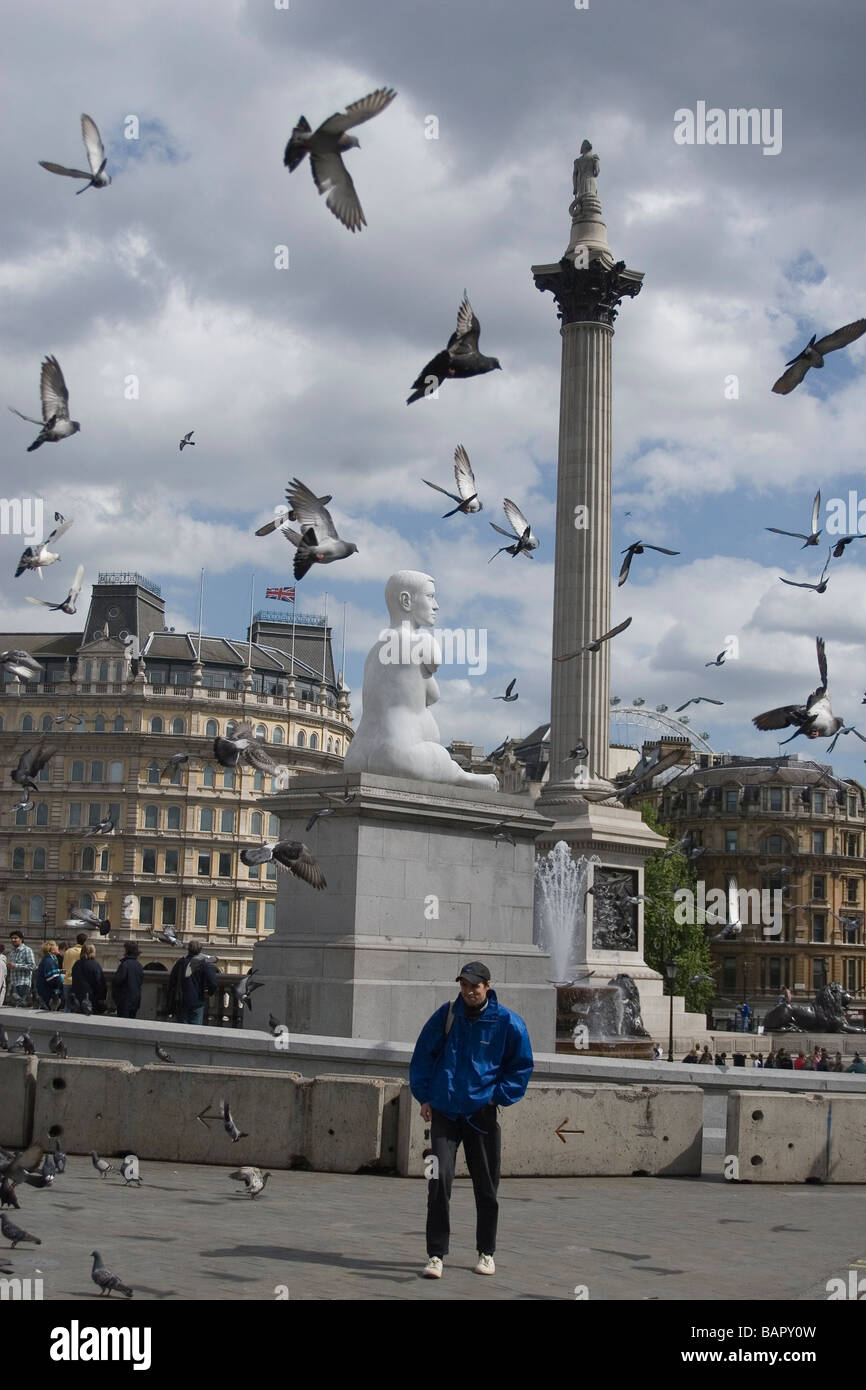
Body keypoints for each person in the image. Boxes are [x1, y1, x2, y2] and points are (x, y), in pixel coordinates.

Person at [409, 961, 533, 1281]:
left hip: (481, 1115)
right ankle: (436, 1255)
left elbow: (521, 1066)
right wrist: (423, 1096)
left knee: (487, 1188)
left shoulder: (508, 1022)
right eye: (464, 985)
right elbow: (423, 1054)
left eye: (474, 986)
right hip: (445, 1113)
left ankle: (486, 1252)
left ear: (487, 986)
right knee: (438, 1182)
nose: (468, 991)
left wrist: (497, 1097)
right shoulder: (448, 1015)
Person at [169, 940, 218, 1025]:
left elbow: (172, 981)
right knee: (195, 1031)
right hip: (197, 1001)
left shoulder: (180, 963)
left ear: (188, 950)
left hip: (182, 1001)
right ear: (200, 951)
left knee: (182, 1030)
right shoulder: (203, 964)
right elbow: (213, 982)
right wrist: (209, 993)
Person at [71, 944, 107, 1015]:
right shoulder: (95, 965)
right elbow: (100, 982)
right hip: (91, 998)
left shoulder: (77, 964)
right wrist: (102, 997)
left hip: (78, 997)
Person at [112, 941, 144, 1019]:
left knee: (122, 1025)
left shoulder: (124, 965)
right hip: (135, 1000)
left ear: (127, 951)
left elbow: (118, 981)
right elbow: (140, 981)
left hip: (124, 1000)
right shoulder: (139, 965)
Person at [8, 931, 36, 1007]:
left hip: (23, 984)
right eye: (12, 938)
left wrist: (16, 965)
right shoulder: (12, 952)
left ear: (21, 939)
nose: (13, 940)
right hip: (13, 984)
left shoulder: (27, 950)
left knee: (23, 1007)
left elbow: (32, 966)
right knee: (14, 1009)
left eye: (15, 938)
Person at [62, 932, 88, 1012]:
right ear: (85, 941)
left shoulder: (68, 951)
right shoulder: (83, 953)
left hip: (67, 981)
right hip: (78, 983)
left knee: (67, 1006)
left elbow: (64, 967)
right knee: (78, 1008)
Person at [34, 940, 64, 1010]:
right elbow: (52, 978)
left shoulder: (48, 959)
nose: (57, 947)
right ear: (52, 950)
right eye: (56, 946)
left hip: (44, 991)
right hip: (48, 994)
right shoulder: (50, 961)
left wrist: (60, 971)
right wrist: (62, 981)